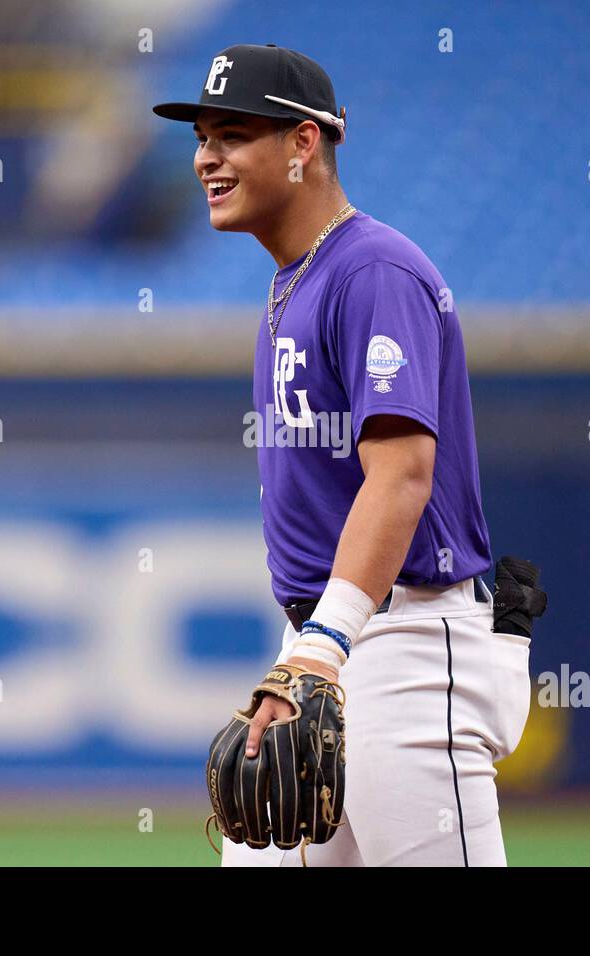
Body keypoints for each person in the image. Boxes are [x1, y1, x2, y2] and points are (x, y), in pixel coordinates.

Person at [154, 44, 533, 865]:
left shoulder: (373, 271)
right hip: (326, 644)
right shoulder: (297, 277)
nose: (207, 157)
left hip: (400, 639)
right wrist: (309, 654)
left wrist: (324, 648)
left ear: (303, 143)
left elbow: (401, 475)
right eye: (202, 136)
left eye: (234, 133)